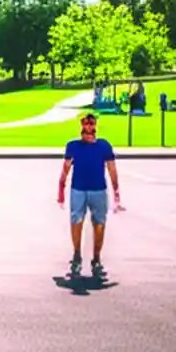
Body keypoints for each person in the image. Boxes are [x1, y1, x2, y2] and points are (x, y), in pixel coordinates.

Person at [57, 113, 122, 278]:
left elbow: (112, 168)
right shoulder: (73, 146)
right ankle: (77, 254)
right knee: (76, 221)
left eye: (91, 124)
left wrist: (116, 192)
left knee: (99, 223)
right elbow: (66, 168)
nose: (88, 128)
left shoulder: (104, 146)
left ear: (95, 127)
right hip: (78, 189)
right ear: (81, 127)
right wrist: (61, 188)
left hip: (98, 190)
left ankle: (97, 258)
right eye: (85, 124)